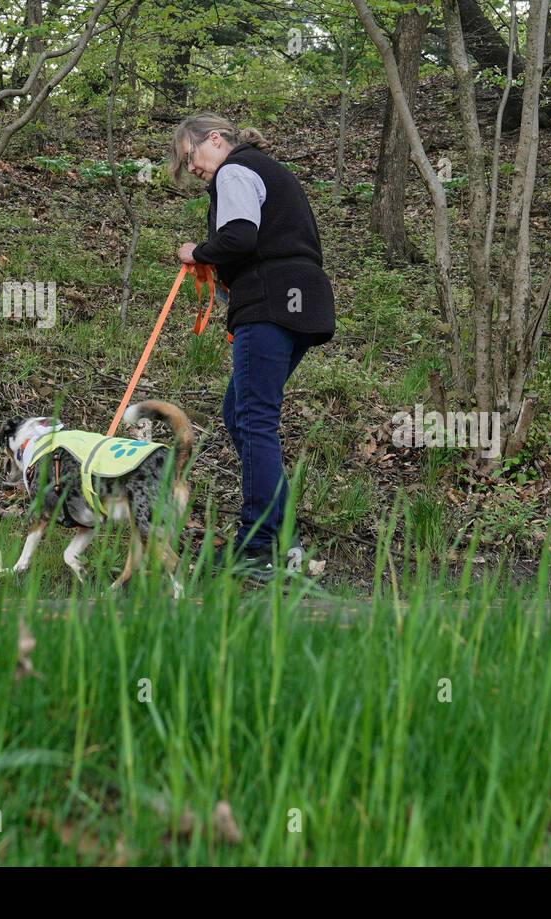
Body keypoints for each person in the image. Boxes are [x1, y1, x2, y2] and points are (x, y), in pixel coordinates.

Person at [168, 114, 336, 576]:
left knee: (253, 419)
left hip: (270, 303)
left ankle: (260, 545)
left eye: (191, 156)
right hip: (303, 302)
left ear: (216, 140)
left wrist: (198, 252)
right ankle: (284, 539)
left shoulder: (236, 170)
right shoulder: (267, 170)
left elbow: (240, 236)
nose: (193, 168)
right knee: (240, 414)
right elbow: (263, 241)